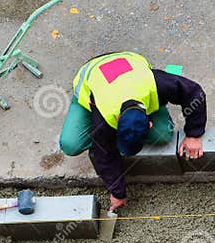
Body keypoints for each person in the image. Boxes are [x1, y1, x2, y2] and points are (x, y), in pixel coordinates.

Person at [59, 51, 206, 211]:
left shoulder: (156, 84)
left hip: (130, 64)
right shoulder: (104, 116)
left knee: (163, 135)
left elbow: (195, 93)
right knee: (71, 144)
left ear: (149, 123)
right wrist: (117, 192)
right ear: (117, 120)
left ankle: (146, 119)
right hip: (91, 78)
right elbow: (104, 153)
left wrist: (194, 134)